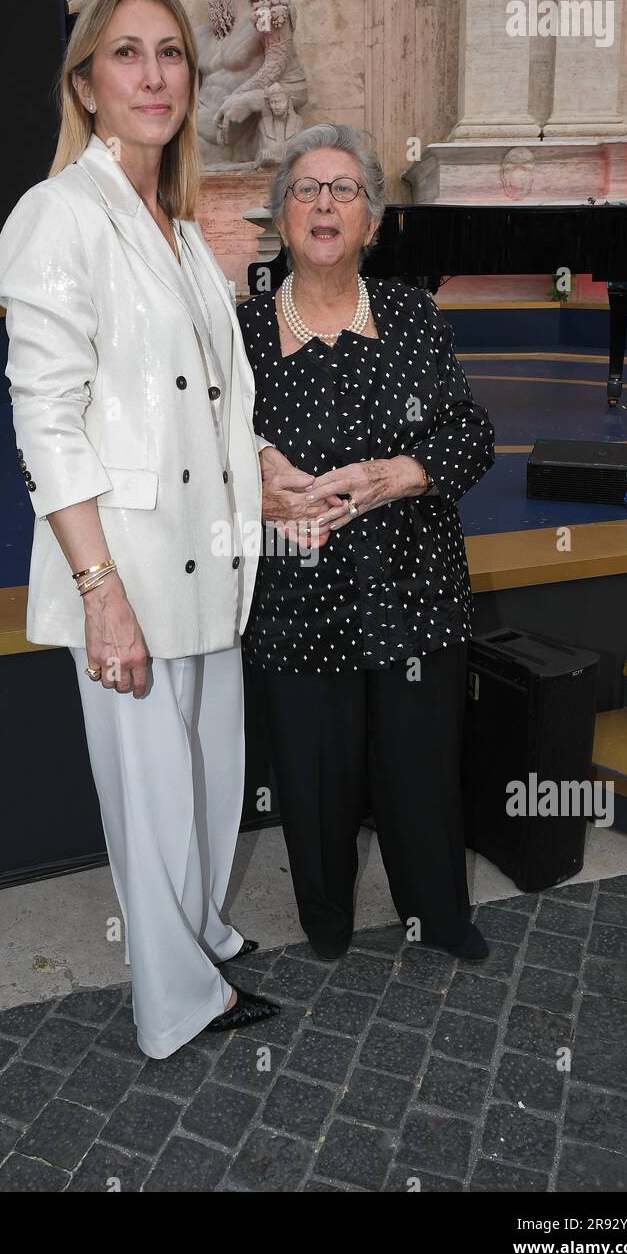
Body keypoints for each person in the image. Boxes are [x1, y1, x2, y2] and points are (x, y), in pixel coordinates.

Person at [0, 0, 290, 1058]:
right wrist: (96, 589)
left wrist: (265, 471)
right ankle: (172, 999)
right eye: (127, 54)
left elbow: (210, 399)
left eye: (170, 52)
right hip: (123, 561)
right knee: (152, 790)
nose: (155, 74)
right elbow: (45, 418)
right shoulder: (56, 216)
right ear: (87, 81)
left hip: (206, 554)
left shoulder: (174, 226)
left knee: (208, 770)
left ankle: (200, 928)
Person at [240, 123, 496, 961]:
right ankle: (327, 925)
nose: (323, 203)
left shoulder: (414, 315)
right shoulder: (237, 335)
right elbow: (194, 449)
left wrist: (398, 473)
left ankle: (439, 916)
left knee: (422, 773)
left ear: (372, 221)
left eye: (344, 189)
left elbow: (469, 436)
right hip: (296, 599)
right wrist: (252, 465)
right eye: (305, 189)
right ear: (281, 219)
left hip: (414, 594)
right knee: (313, 786)